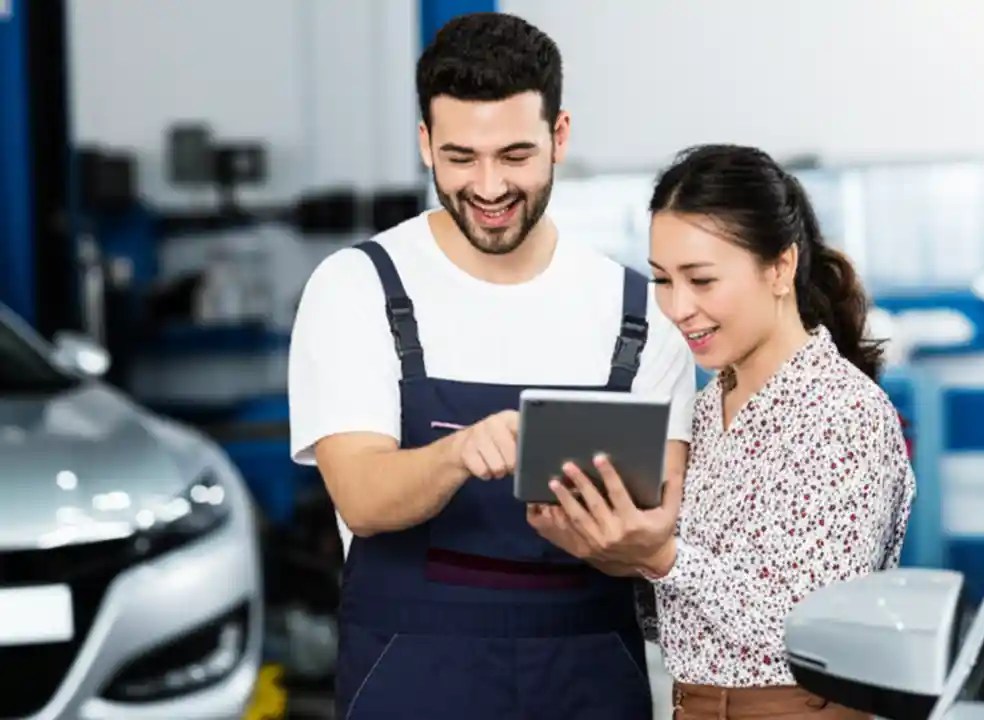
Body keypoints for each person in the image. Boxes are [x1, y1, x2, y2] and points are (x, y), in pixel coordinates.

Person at [287, 12, 696, 719]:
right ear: (425, 144)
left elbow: (661, 525)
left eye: (514, 155)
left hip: (587, 680)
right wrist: (456, 454)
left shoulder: (640, 315)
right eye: (460, 157)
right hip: (412, 680)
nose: (488, 186)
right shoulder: (357, 288)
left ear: (559, 136)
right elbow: (360, 494)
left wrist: (614, 537)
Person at [529, 144, 916, 719]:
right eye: (663, 279)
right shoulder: (702, 412)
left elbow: (813, 632)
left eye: (702, 280)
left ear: (780, 267)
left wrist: (662, 557)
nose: (679, 307)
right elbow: (695, 624)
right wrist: (615, 551)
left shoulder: (844, 413)